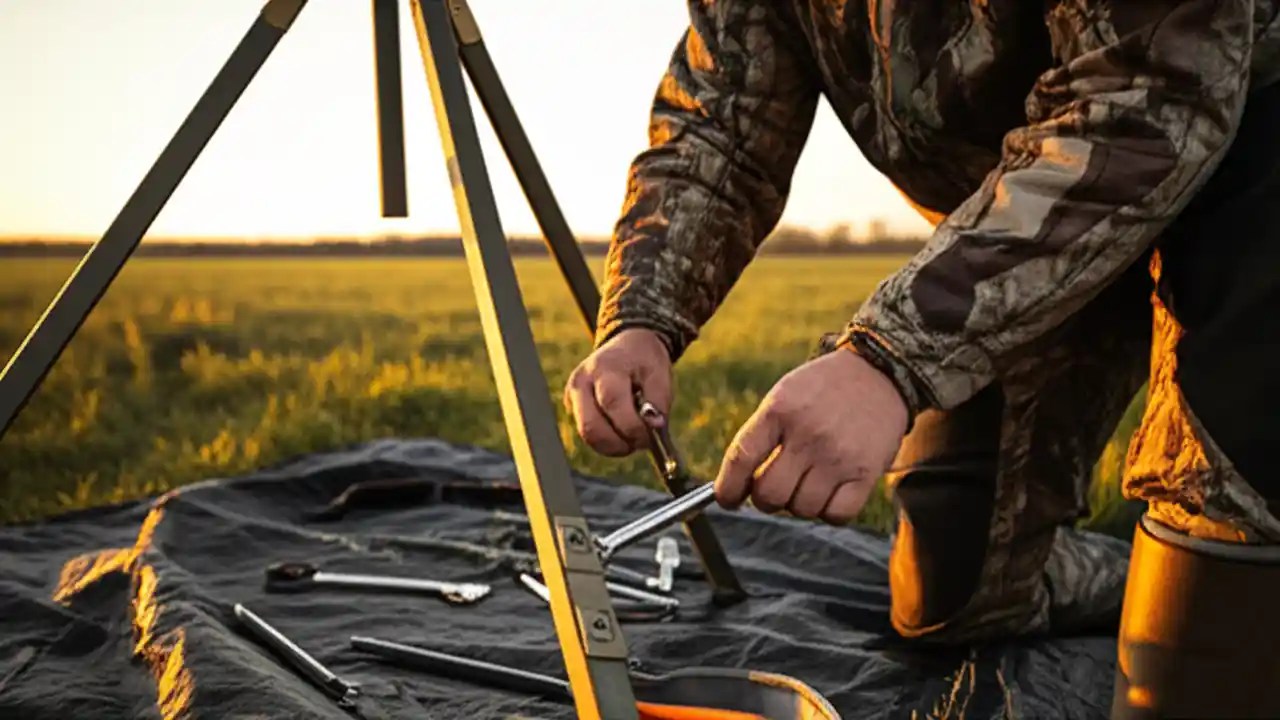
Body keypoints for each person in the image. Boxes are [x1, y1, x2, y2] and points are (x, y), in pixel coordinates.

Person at [563, 1, 1280, 710]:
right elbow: (721, 126)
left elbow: (1147, 101)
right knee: (950, 590)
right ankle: (1140, 576)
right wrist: (642, 318)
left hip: (1248, 183)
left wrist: (889, 359)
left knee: (1228, 525)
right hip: (1027, 229)